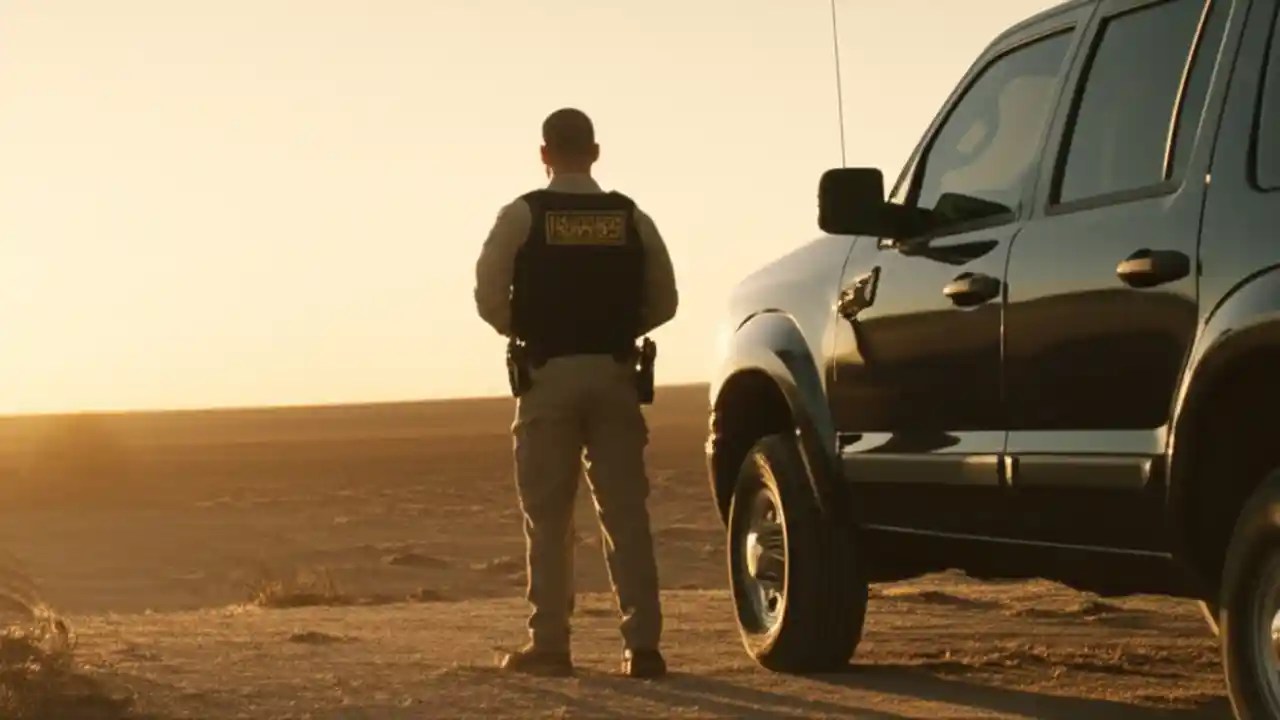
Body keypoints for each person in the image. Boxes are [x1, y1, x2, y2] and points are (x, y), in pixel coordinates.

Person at [473, 108, 678, 679]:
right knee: (626, 515)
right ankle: (643, 647)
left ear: (544, 153)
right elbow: (665, 300)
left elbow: (488, 295)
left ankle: (550, 644)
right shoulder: (630, 216)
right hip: (614, 372)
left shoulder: (522, 215)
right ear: (595, 152)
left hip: (547, 375)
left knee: (547, 518)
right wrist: (619, 329)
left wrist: (526, 330)